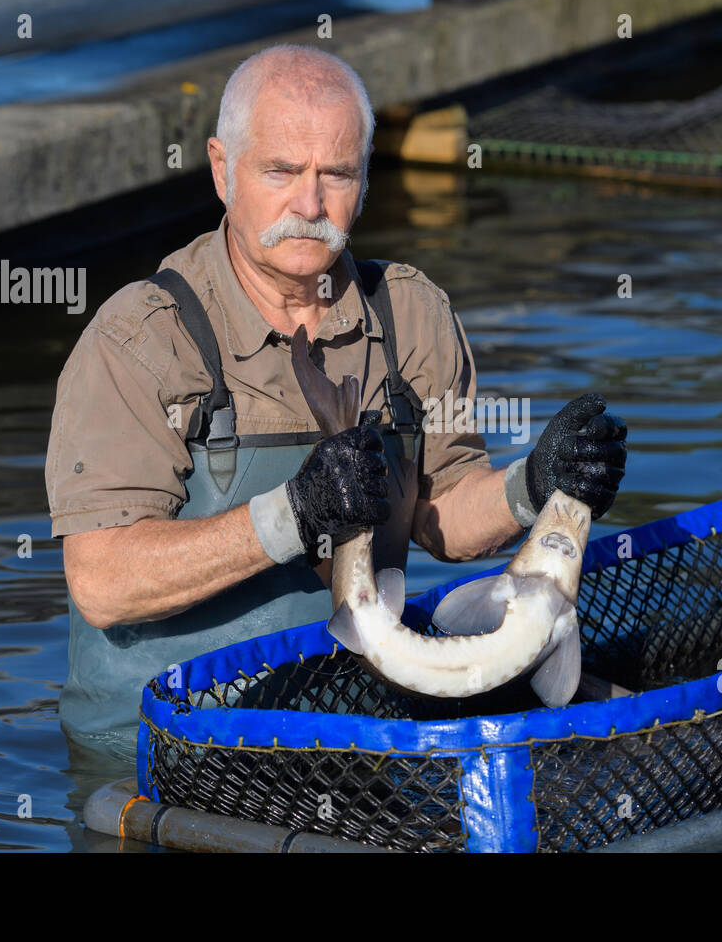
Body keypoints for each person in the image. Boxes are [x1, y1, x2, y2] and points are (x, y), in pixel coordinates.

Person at [44, 44, 627, 758]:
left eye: (337, 174)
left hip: (347, 729)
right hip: (157, 748)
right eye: (282, 171)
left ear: (367, 179)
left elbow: (440, 515)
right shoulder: (140, 338)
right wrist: (292, 515)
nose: (310, 206)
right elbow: (102, 580)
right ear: (223, 170)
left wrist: (531, 486)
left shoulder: (409, 314)